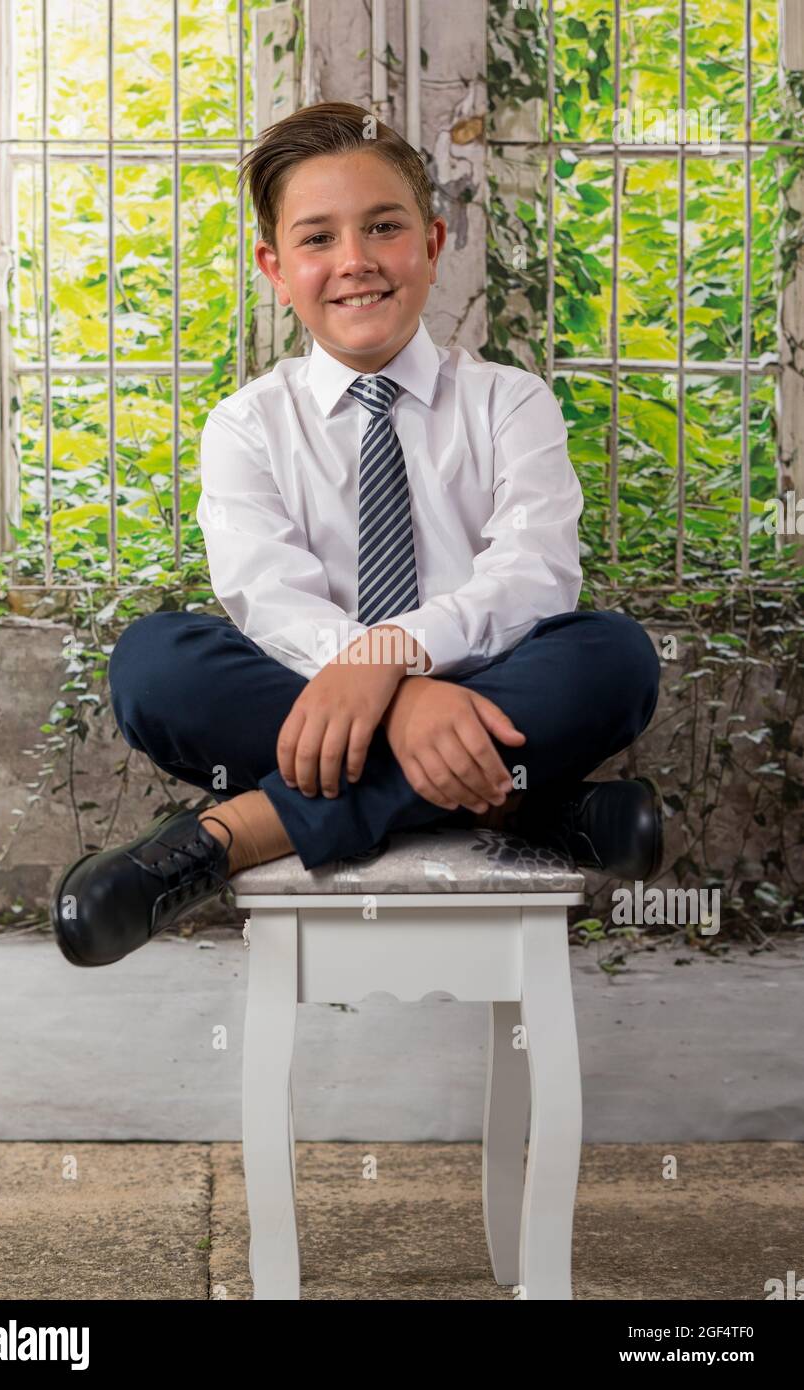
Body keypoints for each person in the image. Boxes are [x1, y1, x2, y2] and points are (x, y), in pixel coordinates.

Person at [51, 101, 662, 969]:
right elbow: (267, 597)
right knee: (157, 667)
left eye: (384, 228)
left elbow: (533, 578)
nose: (355, 263)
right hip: (319, 696)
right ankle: (522, 805)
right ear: (273, 264)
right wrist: (397, 693)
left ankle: (235, 833)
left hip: (486, 684)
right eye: (317, 239)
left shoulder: (509, 404)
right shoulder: (247, 424)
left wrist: (392, 657)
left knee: (613, 658)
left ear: (434, 242)